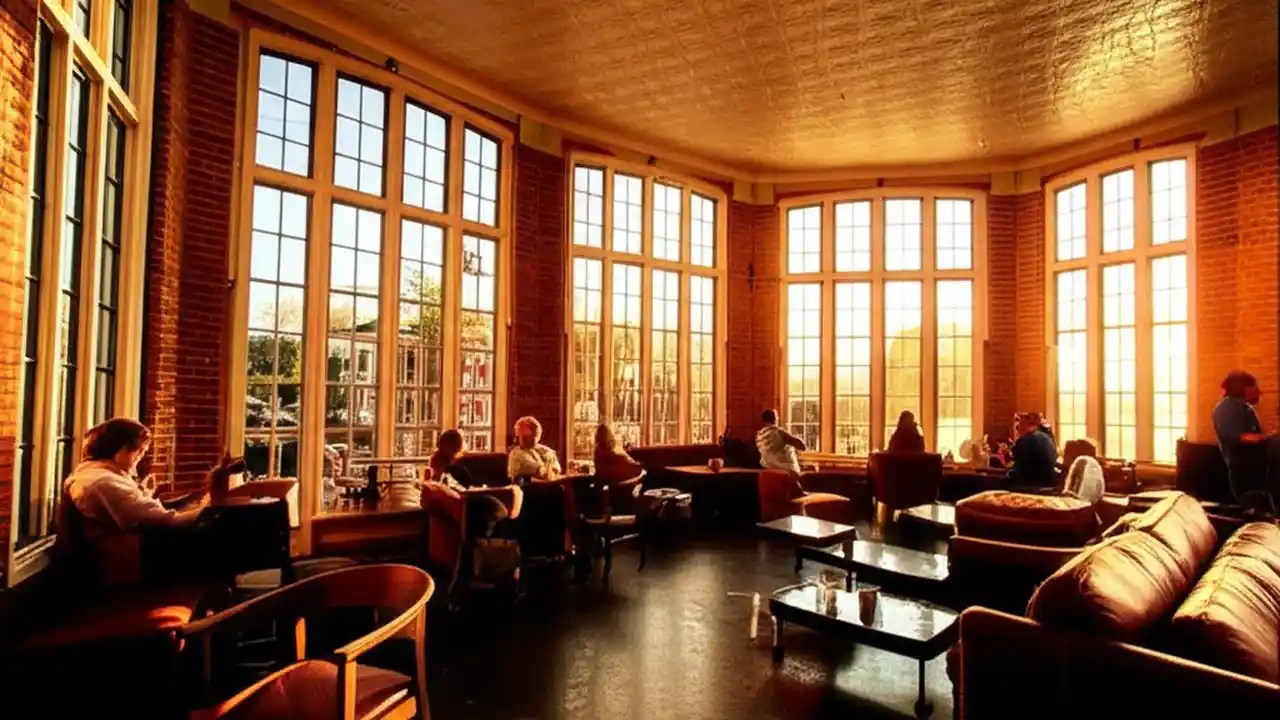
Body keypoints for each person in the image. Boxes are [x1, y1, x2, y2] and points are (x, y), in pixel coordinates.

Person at [63, 418, 234, 585]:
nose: (140, 458)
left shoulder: (95, 474)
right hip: (133, 562)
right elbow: (165, 520)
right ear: (122, 450)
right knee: (228, 537)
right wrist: (211, 503)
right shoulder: (103, 482)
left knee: (224, 536)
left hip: (134, 554)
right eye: (140, 452)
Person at [426, 429, 516, 538]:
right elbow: (467, 490)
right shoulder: (459, 468)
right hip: (472, 506)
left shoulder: (438, 465)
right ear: (459, 446)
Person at [1212, 371, 1278, 516]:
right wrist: (1270, 439)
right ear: (1243, 388)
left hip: (1258, 474)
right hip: (1246, 477)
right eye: (1254, 386)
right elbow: (1241, 437)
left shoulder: (1245, 409)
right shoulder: (1227, 408)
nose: (1259, 391)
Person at [1006, 412, 1058, 489]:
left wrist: (1008, 474)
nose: (1017, 429)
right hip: (1049, 485)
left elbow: (1019, 471)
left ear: (1024, 425)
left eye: (1019, 425)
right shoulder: (1047, 438)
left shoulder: (1025, 441)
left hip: (1030, 487)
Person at [507, 416, 561, 481]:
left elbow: (556, 470)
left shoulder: (546, 450)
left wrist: (552, 472)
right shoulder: (516, 454)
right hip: (529, 488)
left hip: (551, 485)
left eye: (534, 434)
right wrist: (547, 471)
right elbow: (539, 471)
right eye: (525, 435)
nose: (530, 438)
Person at [756, 409, 806, 475]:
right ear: (775, 418)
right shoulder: (780, 433)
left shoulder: (759, 435)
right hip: (786, 473)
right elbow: (802, 446)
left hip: (767, 472)